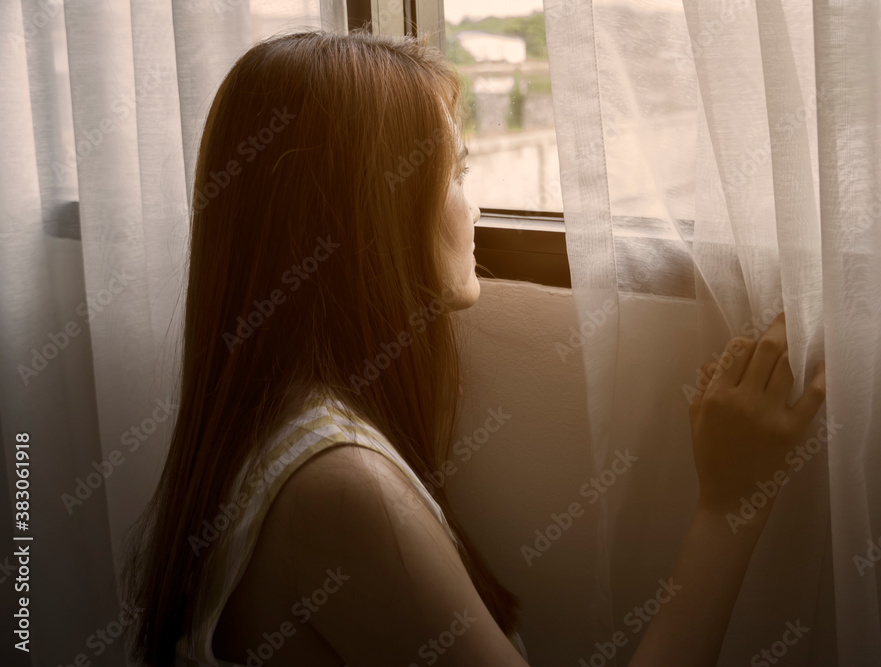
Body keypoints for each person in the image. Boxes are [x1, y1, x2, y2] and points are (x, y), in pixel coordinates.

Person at [120, 29, 826, 667]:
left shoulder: (276, 422)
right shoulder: (342, 489)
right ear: (373, 215)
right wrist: (729, 504)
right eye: (457, 175)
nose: (477, 207)